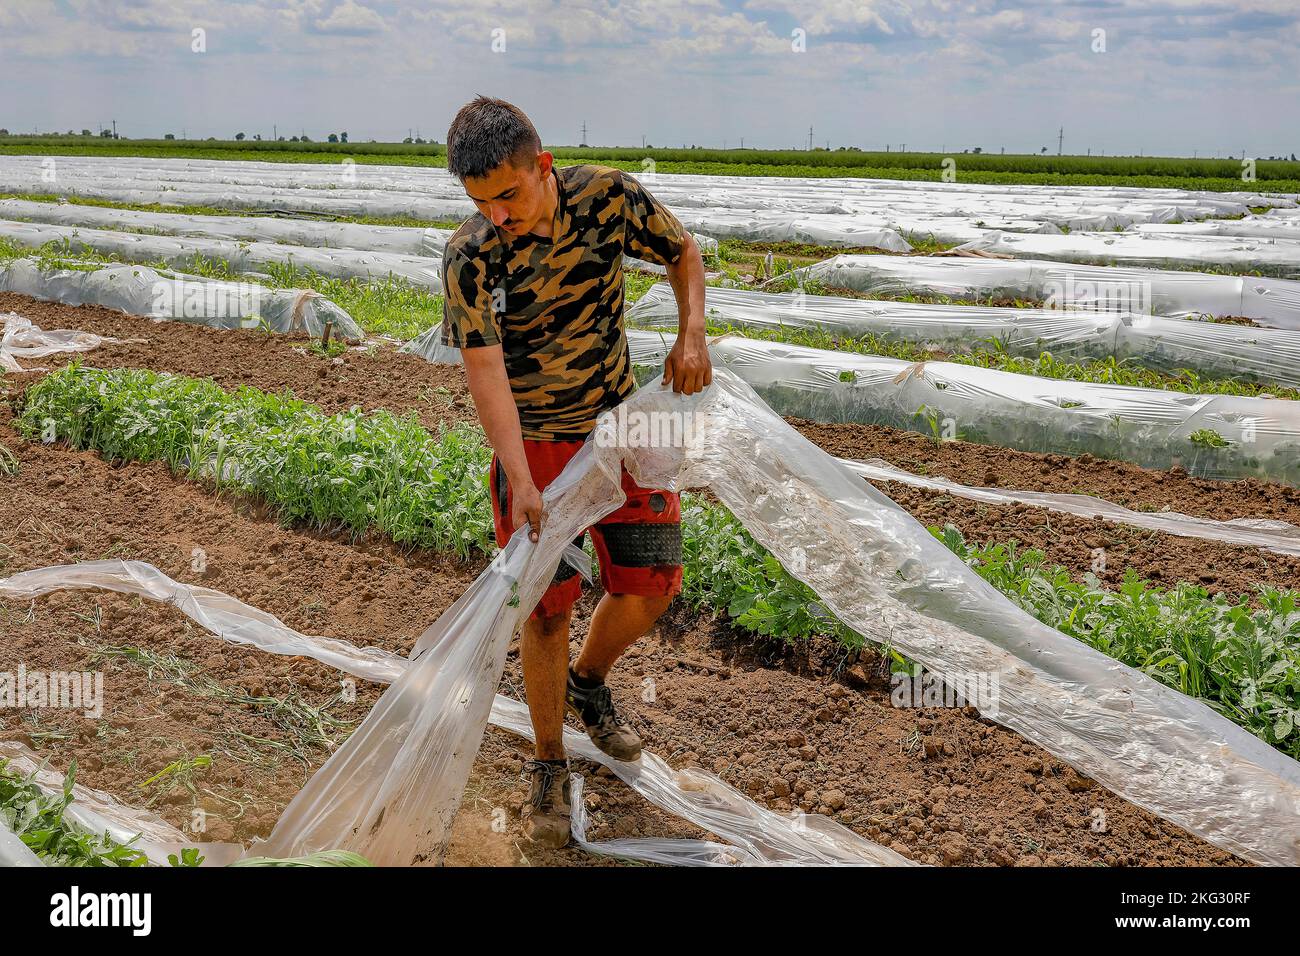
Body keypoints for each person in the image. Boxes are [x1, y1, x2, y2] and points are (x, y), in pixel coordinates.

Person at [441, 96, 712, 848]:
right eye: (480, 202)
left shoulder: (607, 198)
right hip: (537, 447)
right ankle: (550, 760)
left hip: (623, 430)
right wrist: (519, 475)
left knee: (652, 589)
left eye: (509, 194)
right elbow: (485, 371)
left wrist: (692, 333)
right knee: (547, 608)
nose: (499, 214)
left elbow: (682, 251)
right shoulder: (471, 256)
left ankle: (589, 683)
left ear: (543, 168)